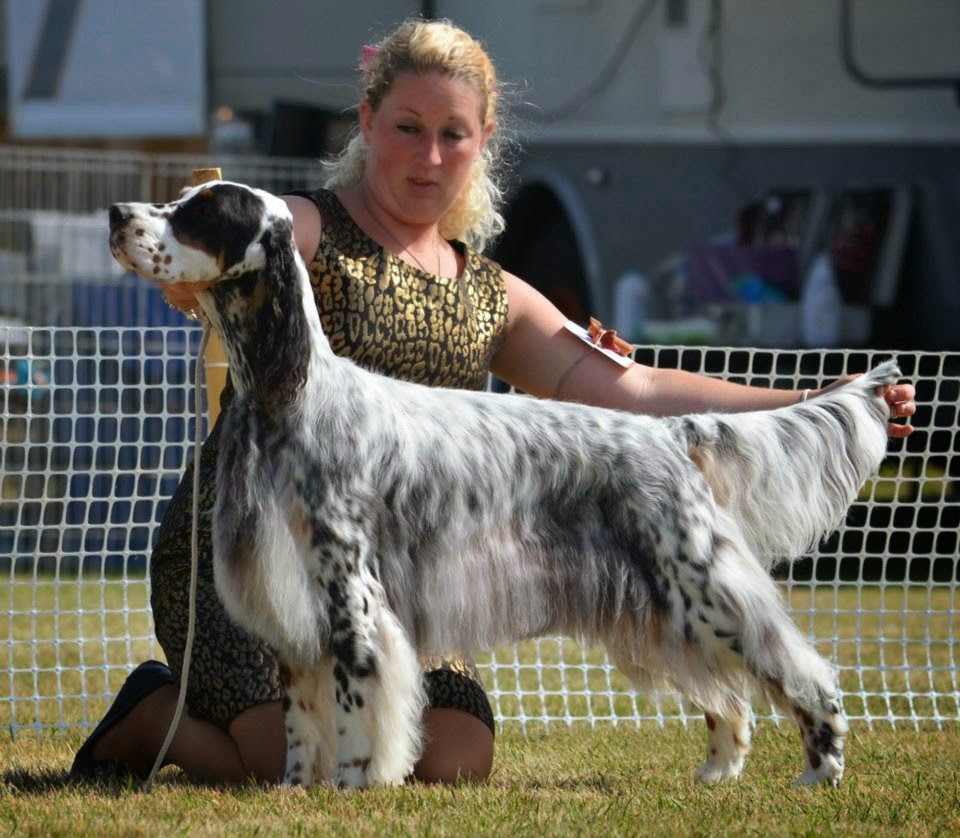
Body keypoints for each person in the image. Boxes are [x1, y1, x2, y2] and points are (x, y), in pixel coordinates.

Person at [71, 18, 916, 787]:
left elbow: (632, 391)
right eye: (407, 128)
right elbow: (236, 237)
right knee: (274, 760)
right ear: (367, 124)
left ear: (482, 144)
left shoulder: (492, 291)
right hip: (257, 548)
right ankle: (153, 715)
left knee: (454, 763)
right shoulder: (308, 228)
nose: (429, 156)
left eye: (453, 134)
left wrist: (808, 397)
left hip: (405, 576)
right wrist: (187, 260)